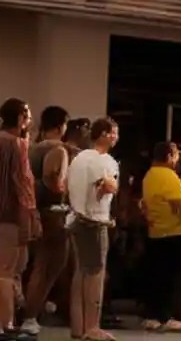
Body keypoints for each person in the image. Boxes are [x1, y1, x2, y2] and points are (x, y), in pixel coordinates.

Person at [0, 98, 38, 341]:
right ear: (20, 118)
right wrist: (31, 215)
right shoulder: (17, 144)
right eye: (27, 115)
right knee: (7, 270)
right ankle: (4, 325)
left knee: (6, 269)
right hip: (14, 213)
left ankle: (5, 323)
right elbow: (23, 183)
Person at [65, 118, 120, 341]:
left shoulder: (79, 158)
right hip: (94, 220)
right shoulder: (101, 160)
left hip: (76, 218)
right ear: (104, 134)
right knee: (95, 274)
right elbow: (106, 185)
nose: (116, 137)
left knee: (80, 272)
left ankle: (78, 325)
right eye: (114, 133)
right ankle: (92, 326)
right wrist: (114, 184)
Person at [22, 106, 71, 335]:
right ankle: (31, 314)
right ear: (61, 125)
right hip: (52, 213)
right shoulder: (58, 150)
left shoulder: (32, 149)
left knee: (38, 265)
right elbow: (53, 178)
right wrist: (62, 189)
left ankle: (31, 312)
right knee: (49, 265)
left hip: (34, 212)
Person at [140, 142, 181, 332]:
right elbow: (180, 204)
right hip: (175, 232)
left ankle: (153, 315)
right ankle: (171, 315)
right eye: (176, 155)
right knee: (180, 274)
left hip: (155, 231)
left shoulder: (148, 176)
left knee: (157, 275)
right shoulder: (169, 176)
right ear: (169, 156)